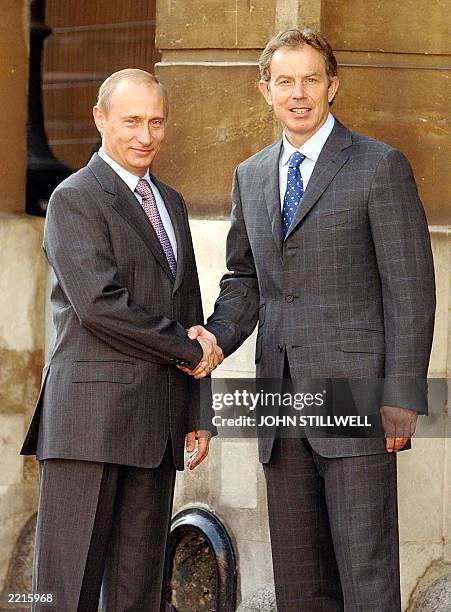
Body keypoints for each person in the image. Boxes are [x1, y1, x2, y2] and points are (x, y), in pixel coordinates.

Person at [185, 28, 436, 611]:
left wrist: (401, 392)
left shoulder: (379, 166)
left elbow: (410, 289)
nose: (298, 93)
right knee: (299, 580)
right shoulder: (250, 174)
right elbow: (244, 281)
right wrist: (211, 340)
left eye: (311, 80)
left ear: (333, 86)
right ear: (265, 90)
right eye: (285, 81)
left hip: (357, 399)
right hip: (279, 404)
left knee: (366, 573)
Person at [21, 68, 221, 612]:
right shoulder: (74, 198)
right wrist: (189, 348)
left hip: (155, 427)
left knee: (138, 594)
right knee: (67, 592)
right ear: (99, 119)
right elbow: (100, 307)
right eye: (132, 121)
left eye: (156, 122)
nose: (145, 135)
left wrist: (196, 410)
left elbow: (190, 311)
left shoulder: (172, 203)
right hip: (89, 423)